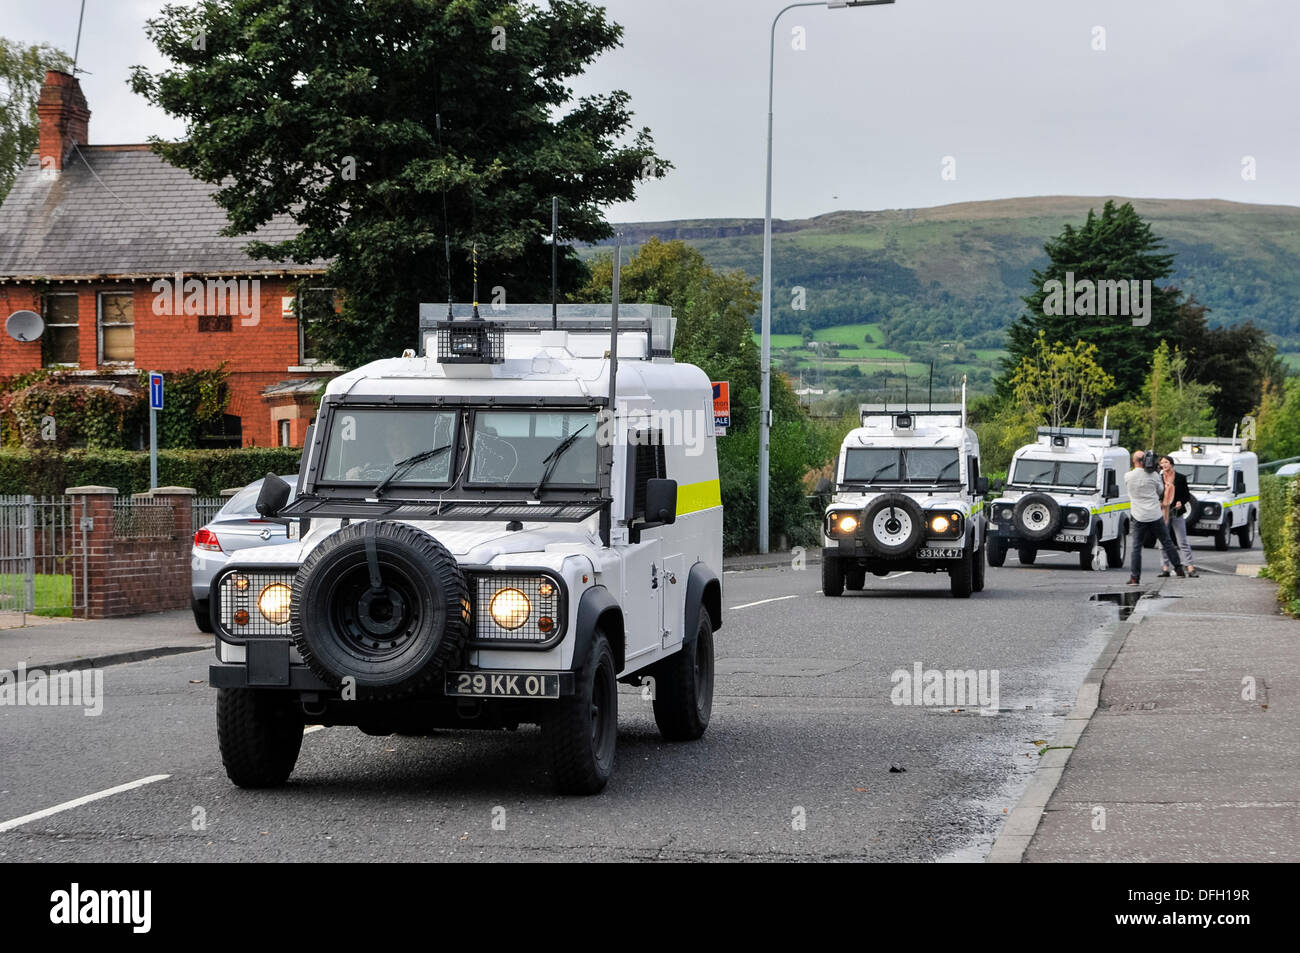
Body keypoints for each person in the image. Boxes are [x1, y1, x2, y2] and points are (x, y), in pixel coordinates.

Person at [1125, 449, 1184, 584]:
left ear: (1134, 461)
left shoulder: (1128, 476)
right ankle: (1179, 569)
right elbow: (1161, 491)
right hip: (1155, 514)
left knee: (1136, 547)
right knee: (1167, 542)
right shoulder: (1154, 476)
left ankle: (1135, 578)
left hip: (1138, 515)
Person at [1159, 454, 1198, 578]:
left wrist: (1181, 501)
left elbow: (1187, 495)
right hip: (1163, 511)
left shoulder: (1180, 478)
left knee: (1182, 541)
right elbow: (1156, 493)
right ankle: (1165, 568)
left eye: (1166, 462)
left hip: (1176, 512)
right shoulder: (1158, 478)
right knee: (1163, 541)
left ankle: (1190, 567)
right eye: (1162, 463)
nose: (1164, 465)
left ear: (1171, 464)